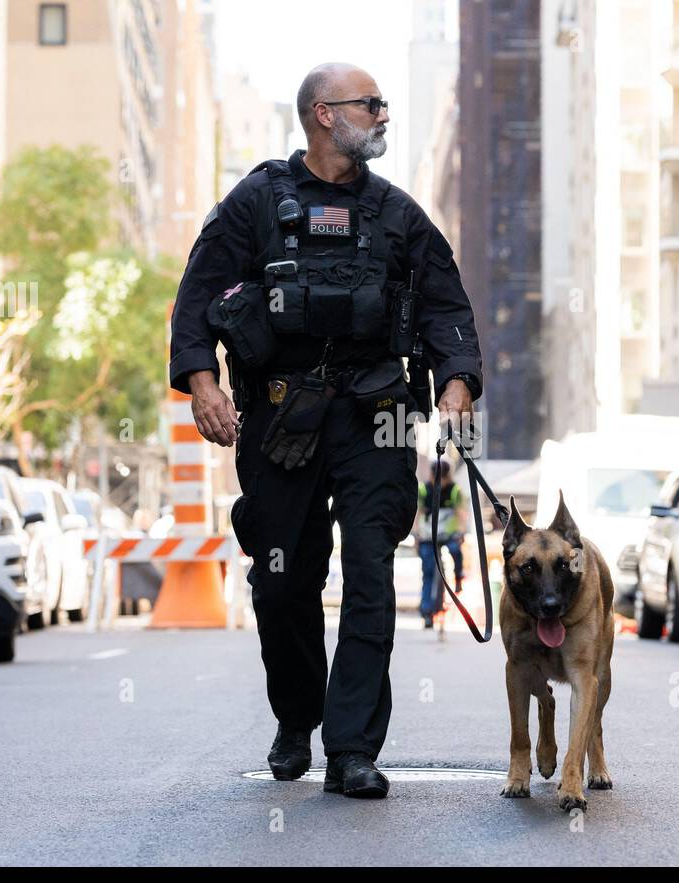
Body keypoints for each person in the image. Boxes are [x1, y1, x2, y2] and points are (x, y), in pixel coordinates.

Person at [168, 63, 483, 799]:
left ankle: (351, 750)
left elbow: (446, 308)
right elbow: (197, 297)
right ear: (321, 114)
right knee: (282, 581)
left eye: (382, 103)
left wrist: (458, 383)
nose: (381, 114)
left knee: (372, 573)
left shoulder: (399, 215)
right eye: (368, 104)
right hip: (280, 413)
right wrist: (204, 384)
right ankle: (295, 719)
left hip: (378, 415)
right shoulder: (253, 204)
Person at [415, 459, 468, 628]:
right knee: (428, 572)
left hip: (449, 534)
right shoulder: (423, 490)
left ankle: (458, 576)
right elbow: (417, 512)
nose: (439, 482)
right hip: (428, 536)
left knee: (455, 550)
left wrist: (460, 532)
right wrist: (417, 533)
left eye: (442, 478)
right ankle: (427, 611)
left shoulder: (454, 490)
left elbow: (461, 513)